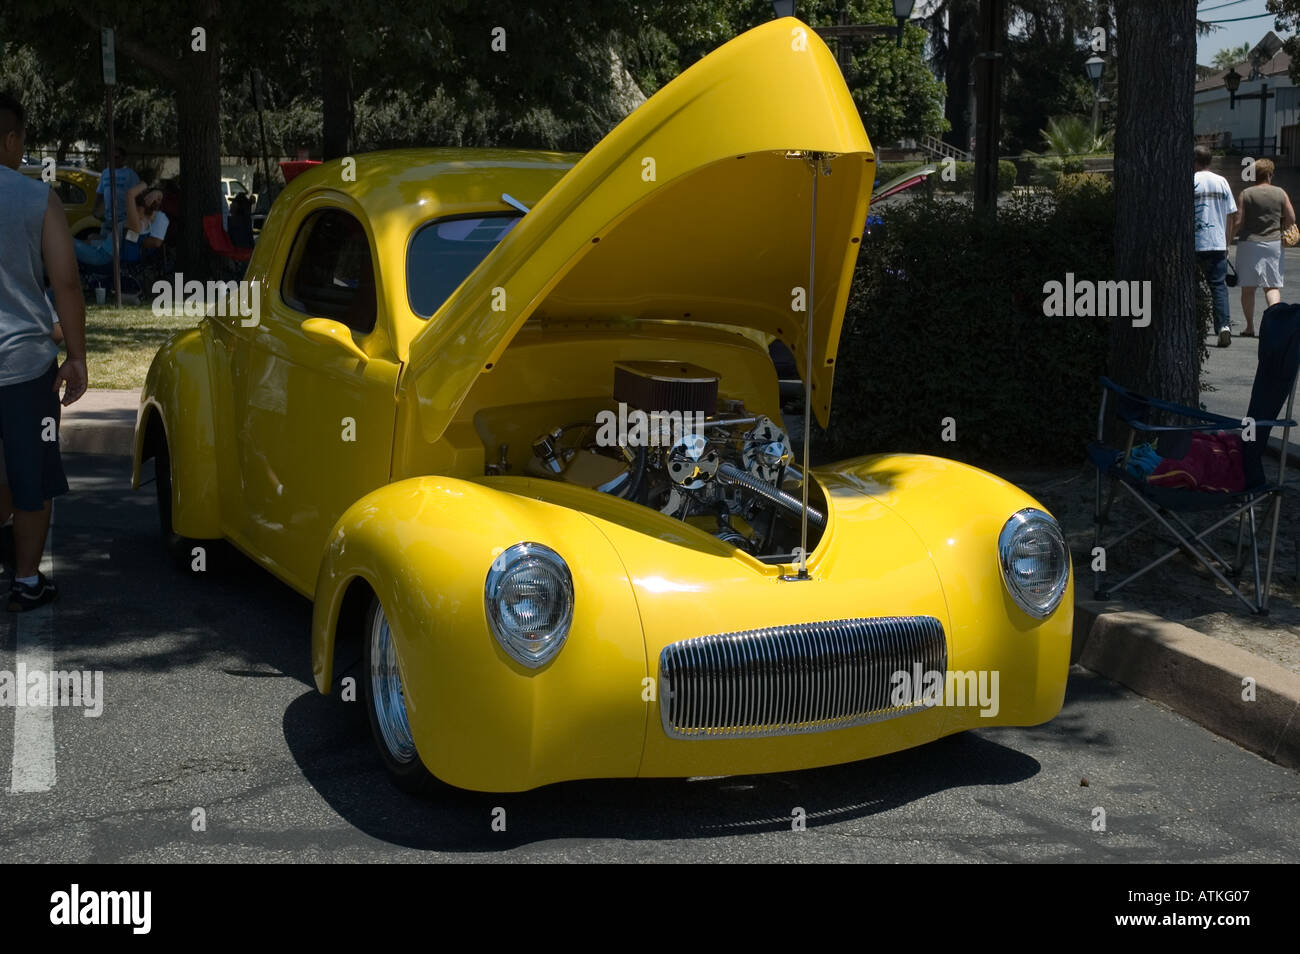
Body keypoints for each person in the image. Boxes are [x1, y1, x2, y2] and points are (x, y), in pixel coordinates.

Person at [0, 92, 88, 611]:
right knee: (31, 474)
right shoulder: (38, 200)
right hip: (25, 368)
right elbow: (68, 284)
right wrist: (76, 356)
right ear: (11, 139)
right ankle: (28, 580)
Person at [1234, 157, 1295, 337]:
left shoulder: (1246, 193)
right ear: (1270, 174)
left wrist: (1228, 237)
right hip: (1273, 243)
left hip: (1249, 243)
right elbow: (1291, 219)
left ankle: (1249, 327)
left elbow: (1238, 220)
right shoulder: (1280, 193)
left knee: (1248, 288)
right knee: (1272, 287)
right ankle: (1275, 326)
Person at [1194, 144, 1240, 348]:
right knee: (1218, 287)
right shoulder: (1222, 182)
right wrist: (1227, 241)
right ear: (1210, 161)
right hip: (1217, 243)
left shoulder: (1190, 181)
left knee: (1191, 287)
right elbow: (1233, 214)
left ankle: (1193, 327)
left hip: (1195, 243)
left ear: (1194, 161)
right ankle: (1223, 326)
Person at [93, 146, 139, 240]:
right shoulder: (105, 173)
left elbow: (137, 195)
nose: (113, 160)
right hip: (108, 219)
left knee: (125, 244)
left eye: (116, 157)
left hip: (125, 219)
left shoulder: (130, 174)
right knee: (104, 243)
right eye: (111, 157)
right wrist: (94, 209)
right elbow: (100, 193)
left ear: (123, 158)